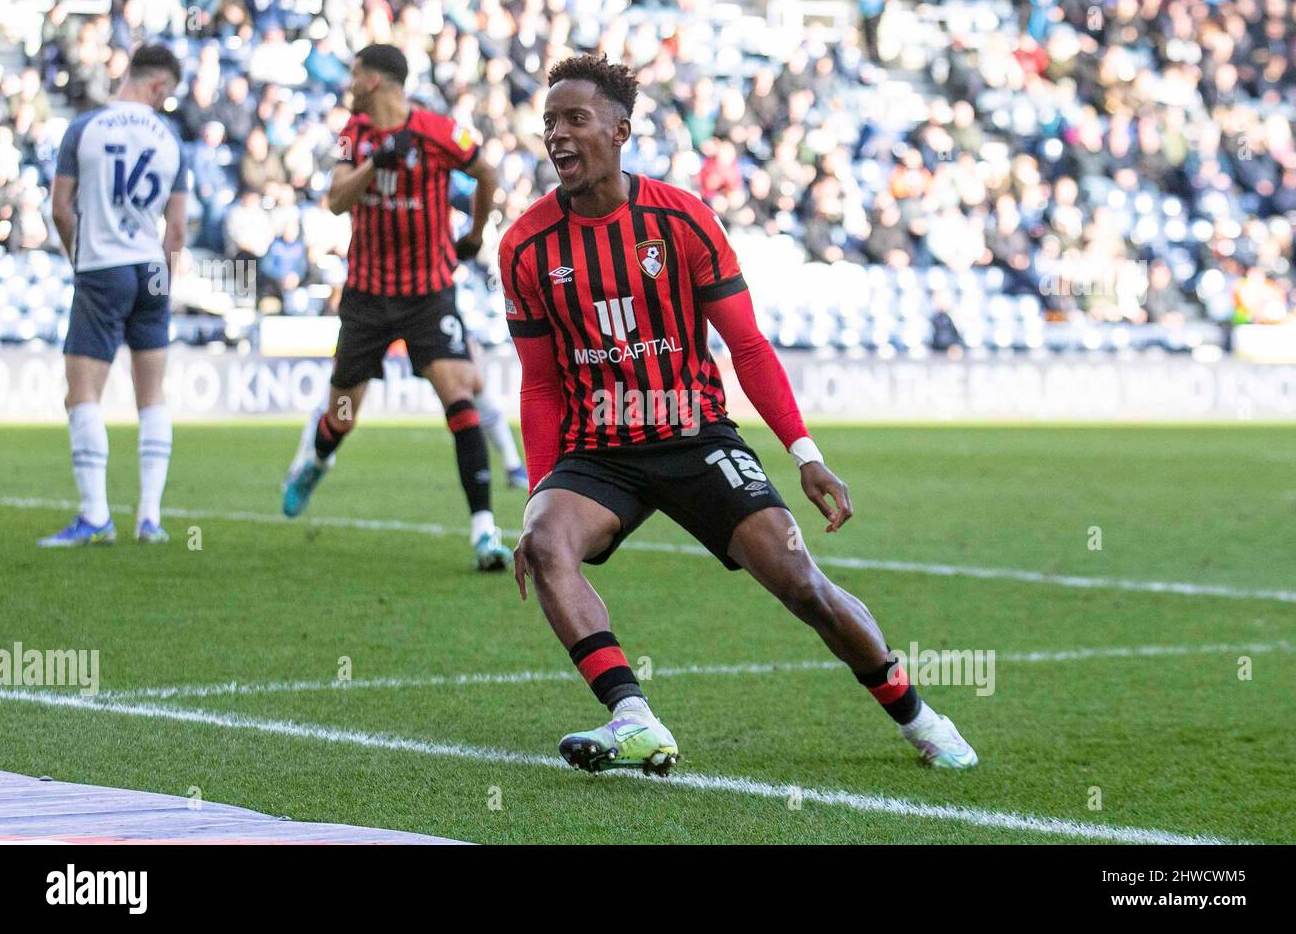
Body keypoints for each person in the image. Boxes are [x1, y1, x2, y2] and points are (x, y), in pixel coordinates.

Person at [503, 55, 978, 774]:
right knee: (544, 544)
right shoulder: (525, 246)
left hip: (695, 436)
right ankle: (633, 717)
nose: (558, 137)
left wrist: (804, 451)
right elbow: (539, 386)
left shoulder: (681, 218)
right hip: (600, 449)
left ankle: (918, 715)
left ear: (620, 130)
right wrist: (542, 491)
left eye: (575, 120)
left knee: (802, 587)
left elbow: (748, 345)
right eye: (549, 124)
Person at [280, 44, 512, 571]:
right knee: (343, 414)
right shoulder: (353, 133)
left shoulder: (437, 130)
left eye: (356, 72)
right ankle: (317, 459)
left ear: (378, 81)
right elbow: (337, 200)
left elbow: (488, 174)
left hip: (429, 293)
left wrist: (473, 235)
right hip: (366, 295)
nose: (350, 81)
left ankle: (484, 532)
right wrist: (373, 166)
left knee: (458, 390)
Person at [39, 43, 188, 547]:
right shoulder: (170, 140)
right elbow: (179, 229)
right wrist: (163, 277)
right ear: (160, 86)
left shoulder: (84, 128)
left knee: (82, 394)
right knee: (152, 396)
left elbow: (60, 208)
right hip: (151, 271)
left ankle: (96, 515)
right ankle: (150, 518)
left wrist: (78, 258)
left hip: (102, 266)